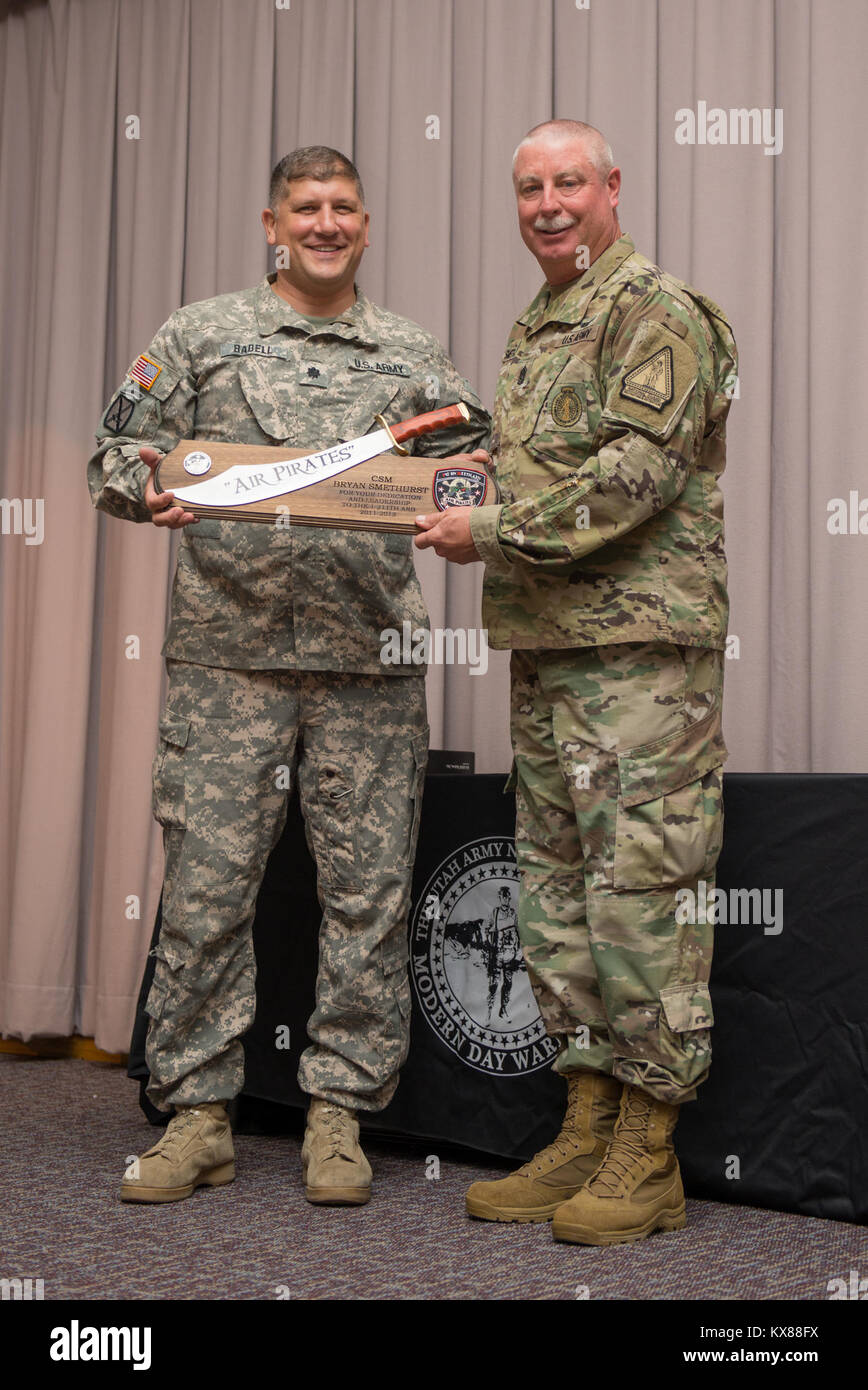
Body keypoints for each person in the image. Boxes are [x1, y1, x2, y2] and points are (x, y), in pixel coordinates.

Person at [88, 146, 490, 1208]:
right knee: (208, 894)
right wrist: (151, 490)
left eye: (343, 207)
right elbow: (114, 454)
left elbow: (473, 461)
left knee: (368, 896)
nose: (325, 223)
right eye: (305, 207)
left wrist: (463, 504)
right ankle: (196, 1116)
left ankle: (340, 1116)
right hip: (230, 664)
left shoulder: (408, 350)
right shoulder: (201, 332)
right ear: (272, 220)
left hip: (369, 663)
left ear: (366, 222)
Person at [415, 120, 736, 1245]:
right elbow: (546, 465)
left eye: (567, 183)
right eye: (528, 188)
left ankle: (649, 1150)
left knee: (642, 893)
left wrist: (487, 525)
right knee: (554, 899)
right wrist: (455, 458)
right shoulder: (541, 325)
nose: (547, 203)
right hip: (552, 652)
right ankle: (587, 1118)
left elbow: (633, 477)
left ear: (611, 187)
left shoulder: (658, 311)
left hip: (641, 657)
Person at [485, 886, 520, 1021]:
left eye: (507, 896)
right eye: (502, 896)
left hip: (510, 955)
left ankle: (503, 1009)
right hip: (497, 954)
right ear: (500, 898)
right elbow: (487, 929)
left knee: (508, 983)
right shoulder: (495, 912)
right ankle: (488, 1011)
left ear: (509, 898)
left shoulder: (513, 914)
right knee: (494, 983)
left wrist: (518, 955)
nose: (505, 899)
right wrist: (491, 943)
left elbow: (519, 933)